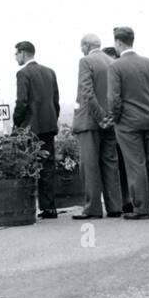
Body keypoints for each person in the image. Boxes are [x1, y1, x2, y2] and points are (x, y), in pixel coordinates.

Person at [107, 27, 149, 218]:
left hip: (128, 123)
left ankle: (141, 208)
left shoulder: (115, 66)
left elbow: (114, 99)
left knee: (135, 164)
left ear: (118, 42)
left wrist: (115, 119)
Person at [71, 33, 122, 219]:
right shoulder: (113, 62)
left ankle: (92, 208)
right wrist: (110, 117)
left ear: (85, 45)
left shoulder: (86, 61)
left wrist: (100, 117)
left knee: (90, 165)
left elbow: (87, 92)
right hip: (110, 120)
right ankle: (115, 205)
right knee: (110, 162)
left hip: (91, 120)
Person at [12, 41, 61, 219]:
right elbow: (56, 101)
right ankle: (49, 207)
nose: (15, 57)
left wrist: (17, 122)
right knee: (47, 167)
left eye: (16, 53)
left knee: (27, 166)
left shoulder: (23, 73)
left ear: (23, 53)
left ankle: (28, 206)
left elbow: (22, 101)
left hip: (30, 127)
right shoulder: (50, 72)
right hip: (48, 125)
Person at [101, 46, 133, 211]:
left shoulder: (116, 73)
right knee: (121, 164)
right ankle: (125, 199)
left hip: (120, 123)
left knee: (122, 164)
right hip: (121, 123)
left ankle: (126, 199)